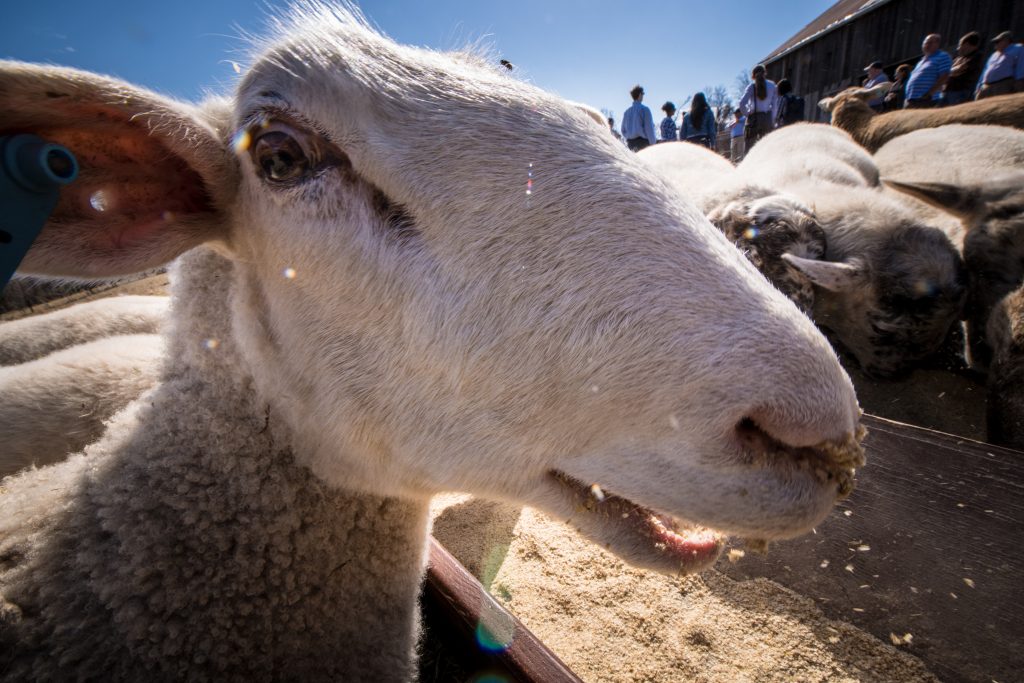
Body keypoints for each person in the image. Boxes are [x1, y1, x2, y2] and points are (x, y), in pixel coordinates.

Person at [904, 34, 952, 108]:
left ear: (937, 44)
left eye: (930, 43)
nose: (926, 45)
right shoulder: (921, 61)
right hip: (911, 100)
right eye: (925, 43)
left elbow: (945, 76)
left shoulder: (942, 56)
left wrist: (930, 94)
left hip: (926, 99)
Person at [738, 64, 777, 151]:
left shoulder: (751, 87)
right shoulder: (772, 86)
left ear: (753, 76)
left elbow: (741, 103)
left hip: (753, 118)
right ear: (765, 73)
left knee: (749, 147)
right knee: (767, 147)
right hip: (767, 118)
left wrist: (747, 114)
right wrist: (772, 119)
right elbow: (775, 105)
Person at [976, 31, 1024, 100]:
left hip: (1003, 85)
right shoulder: (994, 55)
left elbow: (1021, 66)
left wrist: (1019, 83)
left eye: (997, 42)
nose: (995, 45)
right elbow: (985, 70)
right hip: (986, 87)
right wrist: (979, 86)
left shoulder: (1018, 49)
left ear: (1006, 40)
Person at [943, 32, 983, 105]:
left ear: (967, 44)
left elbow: (961, 68)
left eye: (960, 45)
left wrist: (949, 72)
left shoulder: (976, 56)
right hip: (948, 90)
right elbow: (949, 70)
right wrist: (951, 72)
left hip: (959, 92)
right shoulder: (960, 57)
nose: (958, 48)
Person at [621, 85, 657, 152]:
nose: (643, 96)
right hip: (643, 144)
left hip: (630, 144)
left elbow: (623, 130)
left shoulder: (627, 112)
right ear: (640, 94)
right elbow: (649, 129)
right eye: (643, 94)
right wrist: (653, 145)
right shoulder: (645, 109)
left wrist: (629, 136)